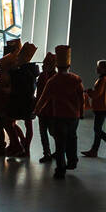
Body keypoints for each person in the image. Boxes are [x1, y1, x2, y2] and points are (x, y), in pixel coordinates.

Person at [33, 46, 86, 178]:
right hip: (74, 116)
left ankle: (60, 168)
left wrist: (37, 110)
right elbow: (81, 98)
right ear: (69, 65)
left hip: (59, 115)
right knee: (72, 138)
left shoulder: (53, 81)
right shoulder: (76, 79)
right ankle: (73, 160)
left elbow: (44, 98)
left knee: (60, 142)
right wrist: (81, 112)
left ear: (57, 66)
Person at [81, 60, 106, 158]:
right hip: (103, 106)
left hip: (101, 108)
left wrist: (89, 92)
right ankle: (94, 150)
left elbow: (96, 94)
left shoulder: (102, 80)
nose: (97, 68)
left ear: (103, 69)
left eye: (98, 67)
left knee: (97, 130)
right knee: (97, 129)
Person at [8, 41, 40, 158]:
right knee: (28, 125)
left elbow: (18, 85)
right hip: (29, 100)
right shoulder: (32, 70)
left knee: (10, 122)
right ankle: (26, 147)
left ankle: (22, 145)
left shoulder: (20, 72)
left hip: (21, 100)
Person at [35, 50, 58, 163]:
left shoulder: (46, 77)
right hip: (49, 110)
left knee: (48, 132)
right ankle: (54, 152)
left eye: (45, 64)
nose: (43, 66)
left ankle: (48, 152)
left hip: (47, 110)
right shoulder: (53, 76)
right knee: (49, 132)